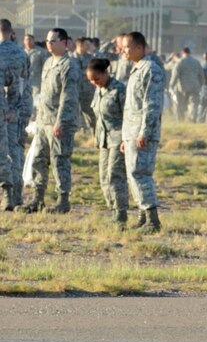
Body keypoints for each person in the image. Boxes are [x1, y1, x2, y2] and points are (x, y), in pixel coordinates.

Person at [25, 27, 83, 213]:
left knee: (60, 160)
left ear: (65, 43)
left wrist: (61, 122)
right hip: (44, 121)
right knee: (39, 159)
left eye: (53, 41)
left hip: (60, 123)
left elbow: (68, 97)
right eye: (48, 41)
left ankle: (63, 200)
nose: (49, 44)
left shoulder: (69, 65)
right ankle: (37, 197)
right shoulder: (49, 62)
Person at [119, 31, 166, 233]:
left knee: (141, 173)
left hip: (142, 134)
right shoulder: (136, 69)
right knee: (132, 175)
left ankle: (153, 220)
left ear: (139, 47)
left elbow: (152, 105)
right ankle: (142, 215)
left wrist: (144, 133)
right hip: (132, 133)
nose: (123, 50)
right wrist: (125, 137)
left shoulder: (151, 69)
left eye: (127, 46)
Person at [83, 58, 127, 223]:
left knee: (114, 176)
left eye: (97, 79)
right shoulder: (99, 90)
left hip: (118, 138)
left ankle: (120, 213)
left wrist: (125, 139)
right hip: (103, 140)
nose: (95, 83)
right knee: (103, 177)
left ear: (106, 73)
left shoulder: (119, 89)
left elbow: (127, 117)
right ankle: (112, 208)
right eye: (91, 81)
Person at [0, 18, 29, 209]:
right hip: (11, 111)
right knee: (15, 150)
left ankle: (7, 194)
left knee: (2, 153)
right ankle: (16, 196)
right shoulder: (21, 53)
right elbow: (20, 85)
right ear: (11, 32)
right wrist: (13, 109)